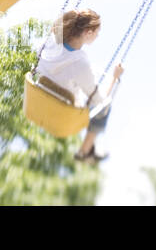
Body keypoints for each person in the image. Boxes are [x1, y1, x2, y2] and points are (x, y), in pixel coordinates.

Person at [35, 9, 123, 163]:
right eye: (97, 32)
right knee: (104, 108)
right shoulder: (80, 63)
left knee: (84, 89)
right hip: (61, 112)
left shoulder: (49, 43)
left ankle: (91, 149)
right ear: (88, 32)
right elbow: (99, 100)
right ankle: (85, 152)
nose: (98, 36)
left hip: (36, 100)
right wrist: (114, 78)